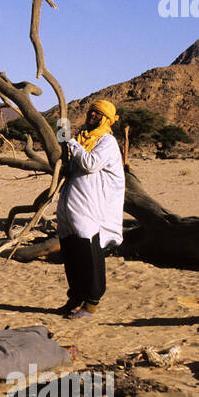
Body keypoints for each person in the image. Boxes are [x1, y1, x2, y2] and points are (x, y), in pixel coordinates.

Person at [55, 99, 126, 318]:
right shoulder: (83, 139)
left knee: (88, 255)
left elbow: (90, 163)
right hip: (71, 205)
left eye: (97, 114)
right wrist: (62, 136)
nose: (92, 116)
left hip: (90, 208)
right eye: (91, 112)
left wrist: (71, 142)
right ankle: (75, 297)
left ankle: (92, 302)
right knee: (71, 253)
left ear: (106, 119)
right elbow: (71, 162)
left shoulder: (107, 142)